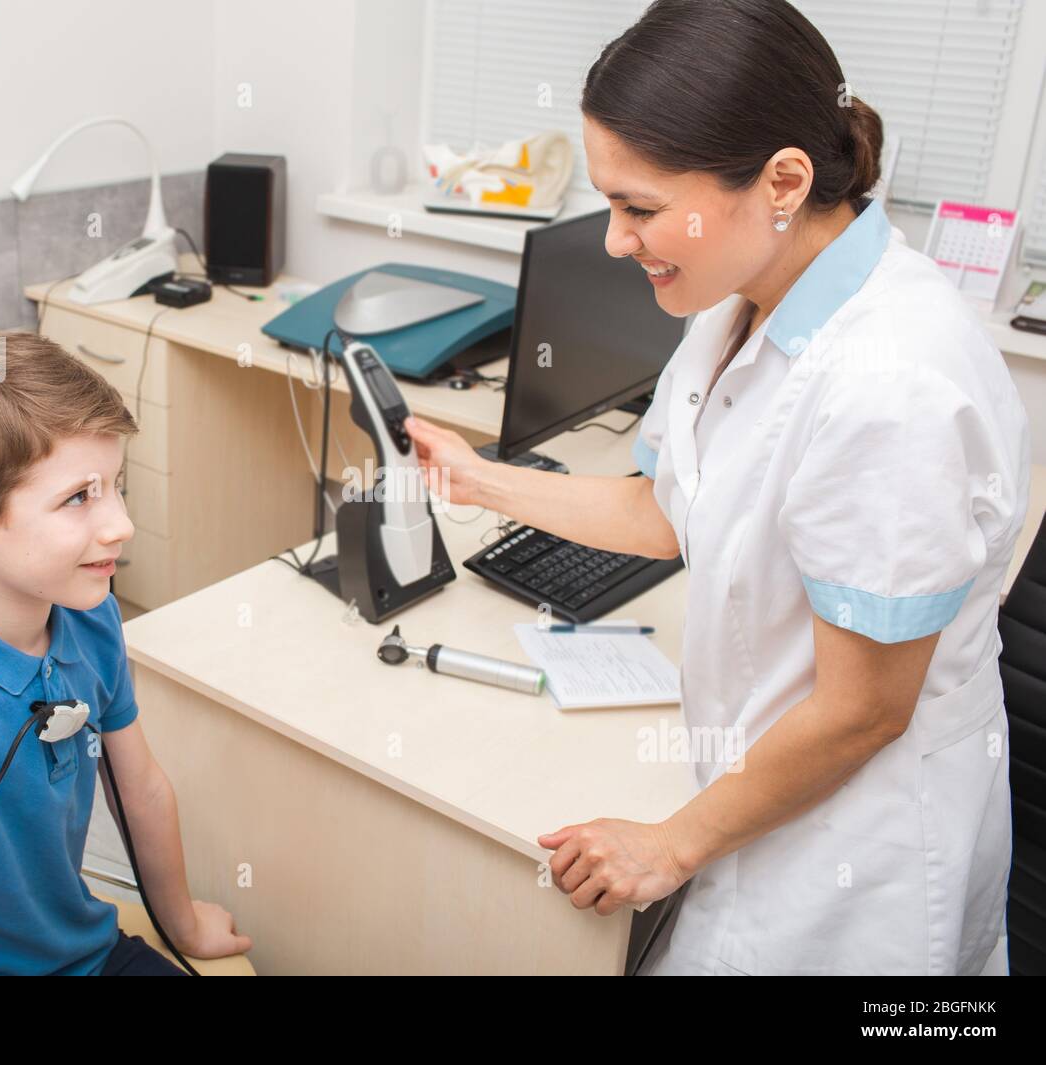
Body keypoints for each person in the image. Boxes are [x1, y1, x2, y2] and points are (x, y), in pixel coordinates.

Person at [404, 0, 1030, 975]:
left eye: (639, 208)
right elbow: (667, 511)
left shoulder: (892, 383)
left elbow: (865, 708)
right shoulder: (739, 300)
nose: (615, 241)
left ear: (782, 180)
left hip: (861, 862)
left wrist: (672, 841)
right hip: (756, 797)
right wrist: (481, 482)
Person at [0, 333, 251, 974]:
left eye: (115, 486)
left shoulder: (91, 620)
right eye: (79, 498)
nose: (120, 524)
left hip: (80, 949)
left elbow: (139, 789)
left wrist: (186, 925)